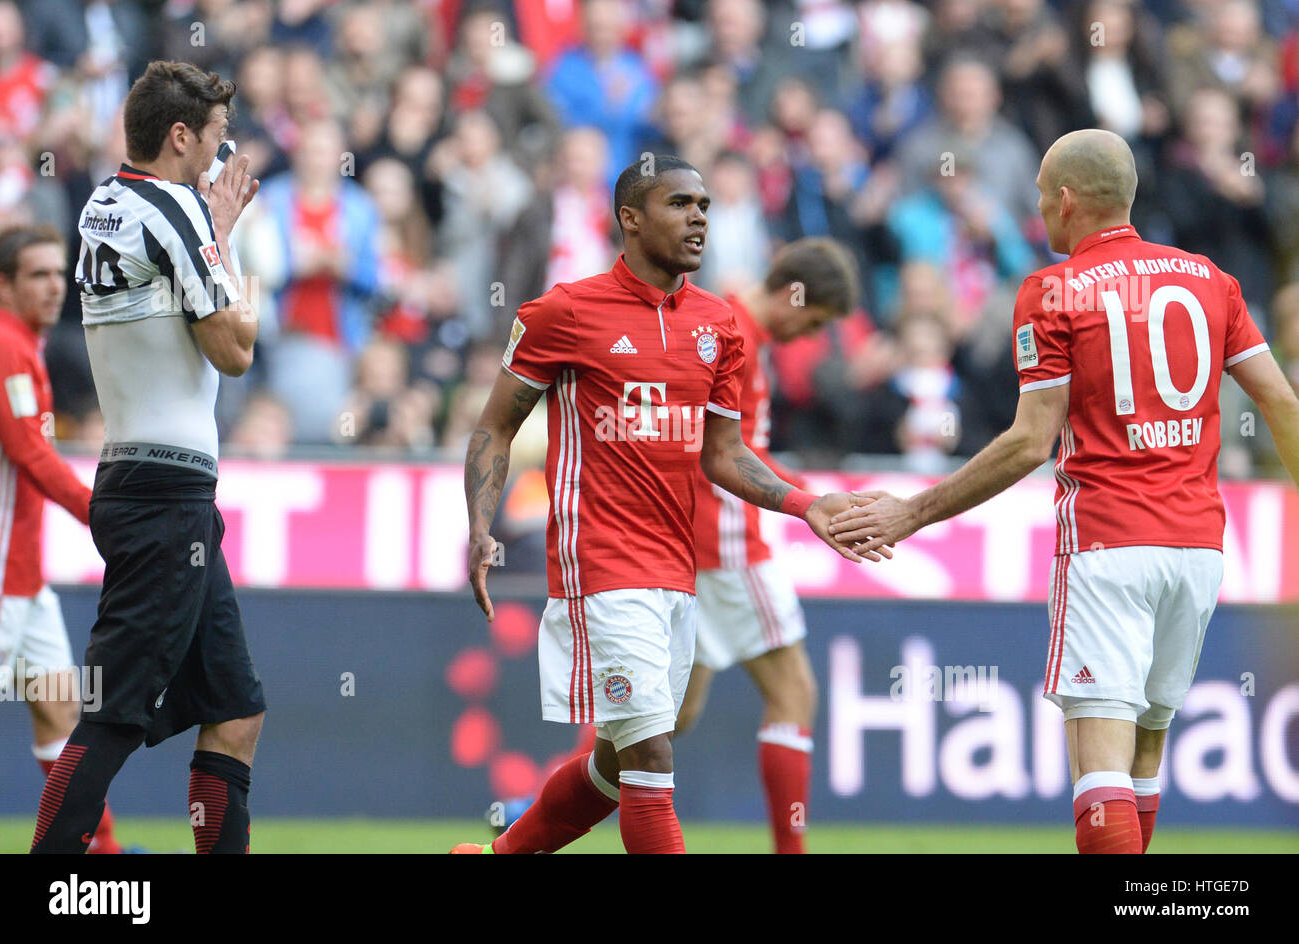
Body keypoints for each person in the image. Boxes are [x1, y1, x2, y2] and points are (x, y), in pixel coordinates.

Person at [827, 129, 1299, 854]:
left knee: (1098, 761)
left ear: (1069, 199)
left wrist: (911, 512)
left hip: (1107, 544)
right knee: (1148, 742)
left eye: (1044, 195)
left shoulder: (1052, 291)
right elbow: (1280, 402)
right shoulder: (1211, 279)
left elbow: (1027, 441)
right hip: (1199, 548)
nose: (1039, 210)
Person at [454, 155, 880, 855]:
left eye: (706, 205)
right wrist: (479, 526)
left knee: (617, 767)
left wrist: (809, 506)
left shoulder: (720, 327)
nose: (699, 218)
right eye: (680, 203)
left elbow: (724, 454)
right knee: (653, 760)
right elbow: (495, 425)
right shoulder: (564, 311)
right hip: (600, 566)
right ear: (630, 218)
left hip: (677, 572)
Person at [30, 60, 265, 854]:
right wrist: (229, 251)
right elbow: (233, 350)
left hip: (148, 481)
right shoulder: (174, 208)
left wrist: (214, 232)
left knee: (234, 710)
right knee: (111, 715)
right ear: (178, 137)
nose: (220, 161)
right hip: (165, 493)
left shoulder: (106, 200)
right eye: (215, 142)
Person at [674, 236, 858, 854]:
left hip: (687, 538)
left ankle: (531, 815)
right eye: (815, 318)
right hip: (726, 539)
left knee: (672, 714)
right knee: (794, 692)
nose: (809, 333)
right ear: (794, 291)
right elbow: (724, 452)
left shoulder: (722, 321)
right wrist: (809, 500)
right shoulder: (740, 338)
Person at [0, 225, 122, 853]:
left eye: (58, 273)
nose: (54, 286)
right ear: (5, 285)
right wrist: (99, 512)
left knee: (60, 717)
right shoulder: (5, 345)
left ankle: (97, 857)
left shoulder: (26, 347)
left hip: (25, 581)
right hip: (1, 581)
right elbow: (29, 452)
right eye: (37, 275)